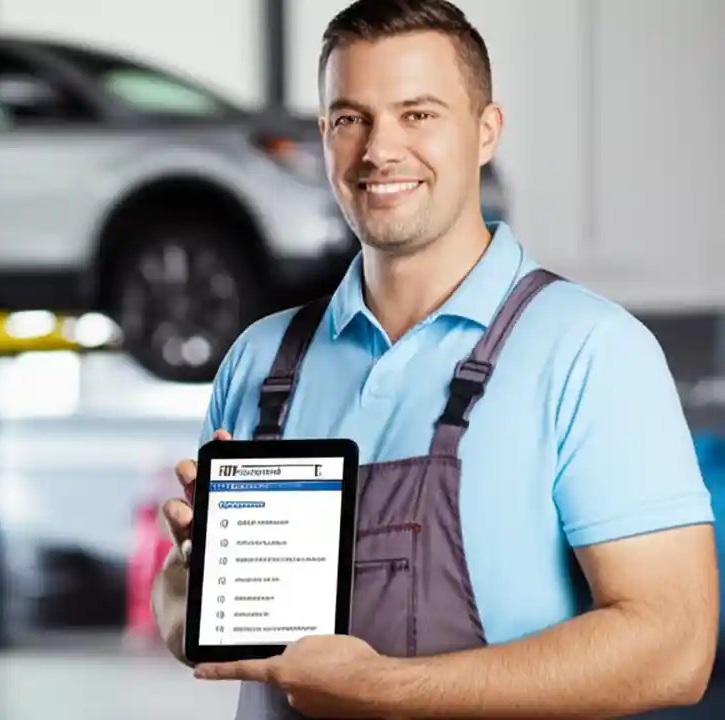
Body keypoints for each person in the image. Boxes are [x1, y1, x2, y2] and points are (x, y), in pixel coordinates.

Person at [151, 0, 720, 718]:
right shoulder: (260, 362)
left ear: (486, 132)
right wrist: (193, 584)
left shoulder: (589, 351)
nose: (379, 150)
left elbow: (674, 648)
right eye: (349, 118)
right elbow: (184, 617)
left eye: (418, 114)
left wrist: (385, 689)